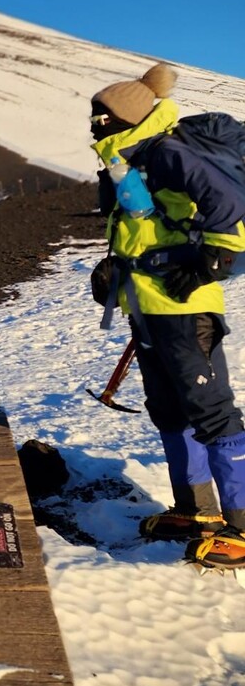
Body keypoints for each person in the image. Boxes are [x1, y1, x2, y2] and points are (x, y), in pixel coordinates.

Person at [89, 63, 245, 571]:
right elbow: (143, 229)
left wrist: (211, 262)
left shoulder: (166, 151)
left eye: (101, 118)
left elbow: (230, 205)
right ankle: (196, 511)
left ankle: (242, 527)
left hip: (184, 308)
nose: (94, 127)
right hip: (148, 306)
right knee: (170, 411)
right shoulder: (126, 161)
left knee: (212, 411)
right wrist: (114, 268)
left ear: (126, 118)